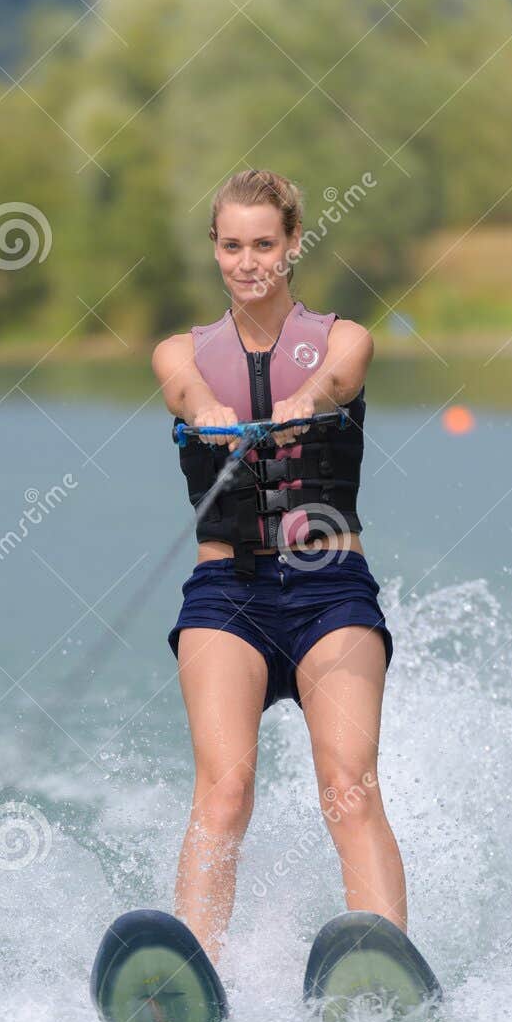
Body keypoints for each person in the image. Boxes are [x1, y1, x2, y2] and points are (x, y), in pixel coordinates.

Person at [153, 169, 405, 964]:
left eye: (264, 243)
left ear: (293, 243)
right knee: (224, 790)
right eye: (232, 245)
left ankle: (385, 960)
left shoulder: (342, 339)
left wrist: (306, 401)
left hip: (329, 589)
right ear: (215, 250)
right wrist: (209, 413)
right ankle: (196, 973)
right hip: (227, 593)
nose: (248, 260)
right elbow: (184, 392)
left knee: (348, 789)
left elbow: (339, 377)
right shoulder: (179, 352)